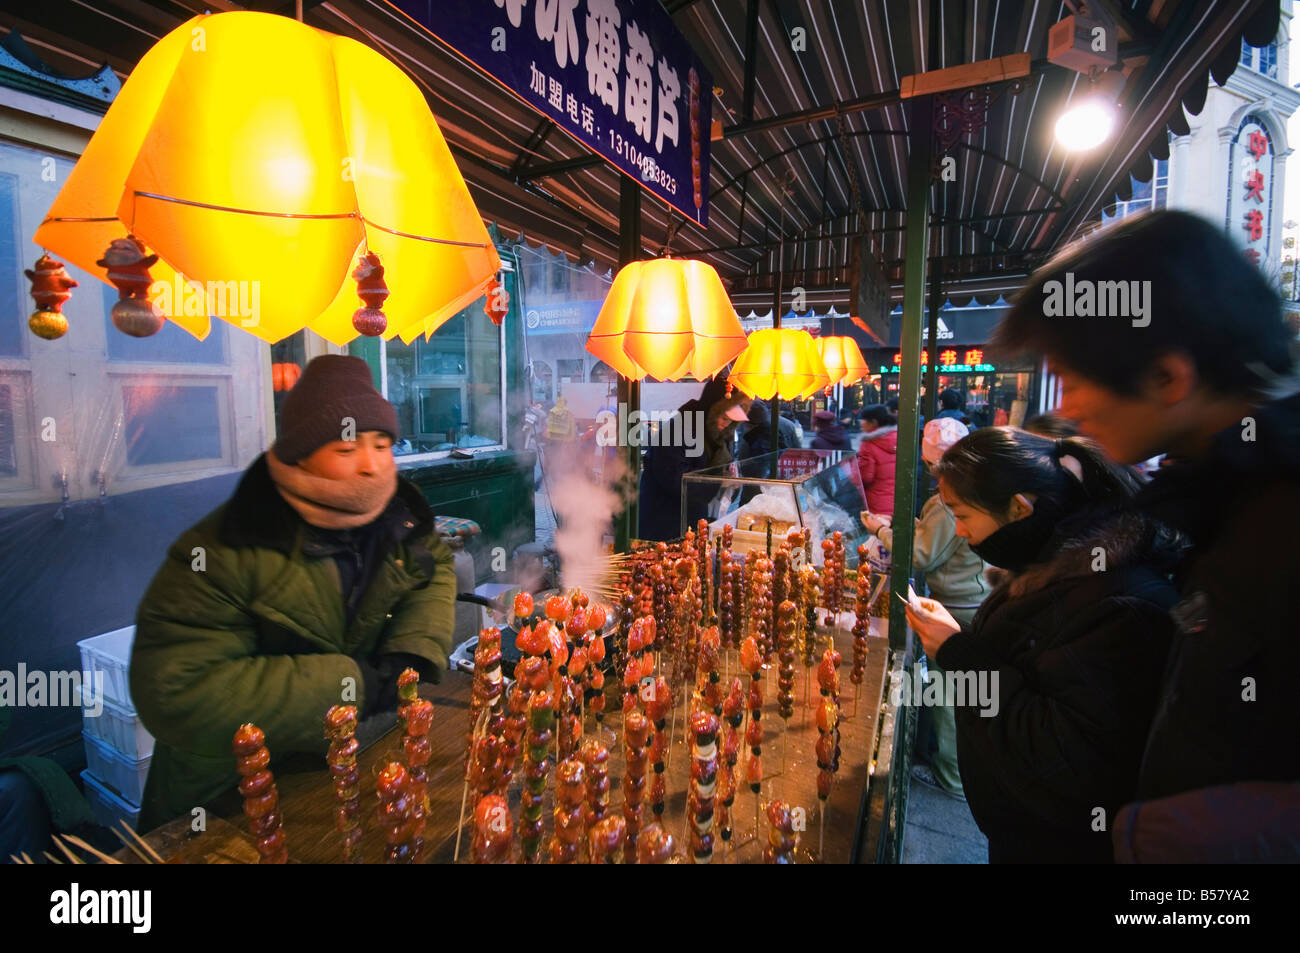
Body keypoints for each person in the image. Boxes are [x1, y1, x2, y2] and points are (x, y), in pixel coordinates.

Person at [991, 208, 1300, 862]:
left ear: (1168, 377)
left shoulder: (1275, 525)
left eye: (1074, 380)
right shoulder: (1212, 502)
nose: (1065, 407)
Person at [130, 355, 457, 831]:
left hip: (338, 774)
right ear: (301, 454)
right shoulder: (222, 549)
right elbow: (175, 691)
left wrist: (412, 649)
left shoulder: (397, 523)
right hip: (223, 800)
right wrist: (353, 685)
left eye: (382, 445)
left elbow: (435, 568)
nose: (371, 466)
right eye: (347, 450)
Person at [903, 427, 1182, 862]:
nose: (959, 532)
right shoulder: (1042, 565)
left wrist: (958, 653)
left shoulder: (1122, 608)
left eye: (963, 515)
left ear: (1019, 508)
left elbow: (1062, 757)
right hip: (1016, 831)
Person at [861, 417, 989, 800]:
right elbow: (936, 539)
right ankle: (951, 766)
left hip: (960, 604)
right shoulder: (972, 488)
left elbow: (921, 554)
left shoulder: (952, 499)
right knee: (959, 689)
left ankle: (952, 775)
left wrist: (881, 531)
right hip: (971, 595)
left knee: (952, 693)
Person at [639, 375, 751, 541]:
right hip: (664, 523)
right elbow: (676, 482)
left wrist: (729, 474)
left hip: (693, 520)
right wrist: (719, 480)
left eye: (732, 420)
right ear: (710, 409)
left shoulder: (717, 435)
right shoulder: (678, 429)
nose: (727, 424)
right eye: (724, 417)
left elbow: (716, 467)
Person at [856, 404, 898, 515]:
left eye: (863, 419)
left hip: (876, 504)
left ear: (873, 422)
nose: (860, 422)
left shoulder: (869, 443)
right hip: (896, 502)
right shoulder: (897, 437)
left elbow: (865, 477)